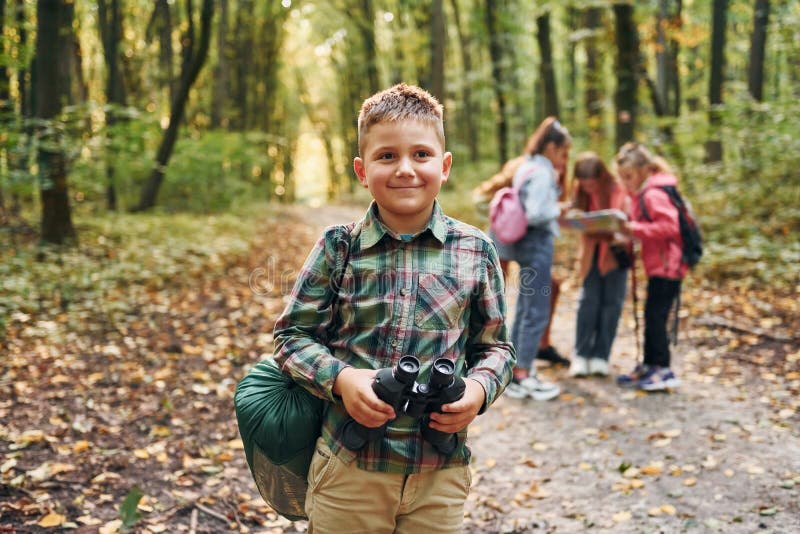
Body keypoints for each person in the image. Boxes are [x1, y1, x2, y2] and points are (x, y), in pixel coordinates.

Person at [272, 83, 515, 532]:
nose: (405, 169)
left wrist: (478, 391)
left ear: (444, 166)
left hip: (439, 474)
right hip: (348, 467)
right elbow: (290, 338)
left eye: (421, 154)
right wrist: (342, 379)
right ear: (362, 171)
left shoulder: (475, 250)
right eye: (387, 156)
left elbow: (496, 348)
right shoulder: (338, 247)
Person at [498, 117, 572, 400]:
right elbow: (535, 212)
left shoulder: (525, 166)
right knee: (536, 310)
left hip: (522, 244)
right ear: (551, 147)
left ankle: (514, 369)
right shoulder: (542, 172)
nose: (563, 158)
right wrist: (559, 209)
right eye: (562, 151)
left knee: (526, 308)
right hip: (537, 243)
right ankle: (523, 374)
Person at [472, 157, 570, 369]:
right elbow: (482, 198)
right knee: (495, 290)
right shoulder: (525, 169)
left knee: (549, 287)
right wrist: (502, 214)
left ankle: (541, 344)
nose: (560, 167)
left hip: (523, 236)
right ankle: (485, 345)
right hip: (504, 233)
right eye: (559, 162)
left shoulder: (548, 173)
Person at [614, 142, 684, 391]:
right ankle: (649, 364)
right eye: (622, 178)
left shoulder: (654, 194)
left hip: (669, 266)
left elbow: (670, 227)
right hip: (658, 266)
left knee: (656, 316)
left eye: (629, 176)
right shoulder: (642, 194)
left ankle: (663, 368)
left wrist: (634, 229)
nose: (626, 182)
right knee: (650, 314)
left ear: (644, 170)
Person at [568, 152, 631, 377]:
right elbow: (573, 212)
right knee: (589, 302)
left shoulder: (616, 188)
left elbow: (624, 217)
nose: (588, 188)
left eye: (592, 184)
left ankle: (601, 356)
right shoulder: (579, 190)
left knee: (611, 305)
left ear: (601, 177)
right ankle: (581, 354)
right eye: (584, 184)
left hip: (616, 253)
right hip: (591, 253)